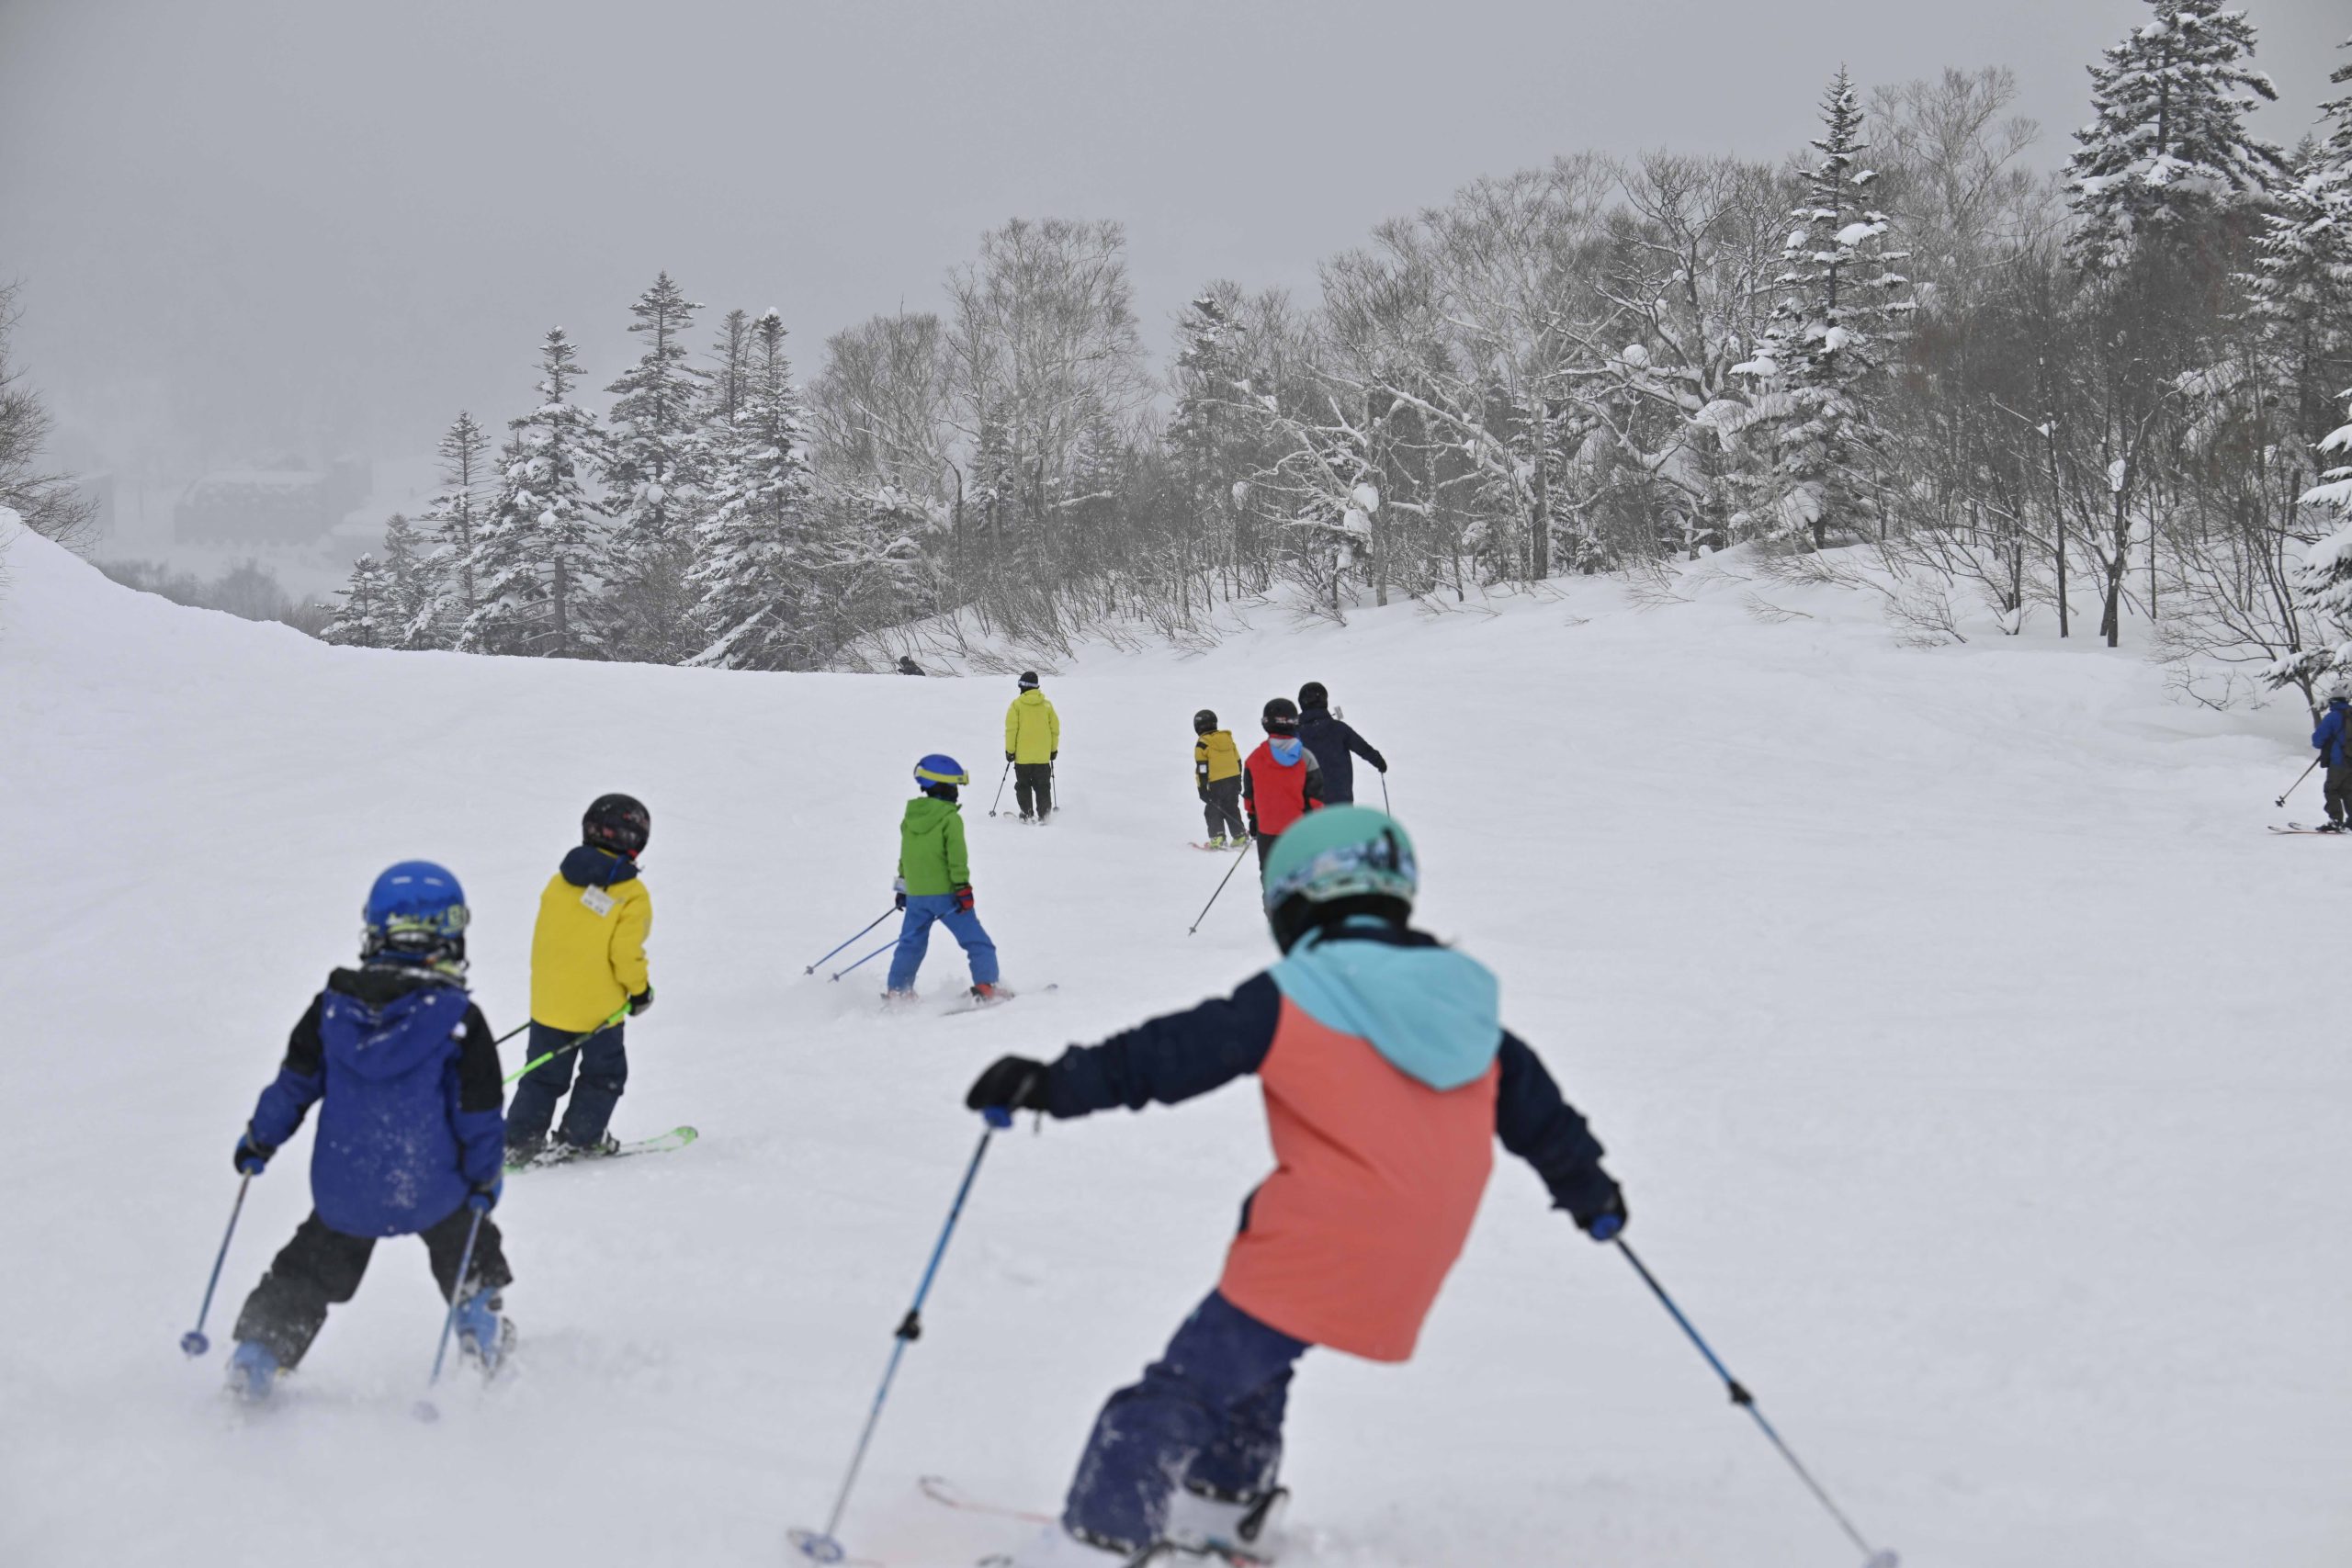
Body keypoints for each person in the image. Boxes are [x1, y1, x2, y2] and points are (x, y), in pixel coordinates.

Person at [965, 807, 1626, 1565]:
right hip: (1415, 1251)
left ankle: (1094, 1544)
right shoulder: (1466, 1007)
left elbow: (1171, 1054)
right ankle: (1219, 1507)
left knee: (1176, 1393)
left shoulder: (1299, 990)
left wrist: (1051, 1082)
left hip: (1320, 1236)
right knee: (1254, 1365)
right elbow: (1543, 1118)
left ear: (1297, 900)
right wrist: (1592, 1195)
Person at [222, 861, 514, 1400]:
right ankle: (479, 1328)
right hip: (435, 1189)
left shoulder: (331, 1010)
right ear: (450, 934)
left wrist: (260, 1140)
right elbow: (479, 1114)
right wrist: (483, 1180)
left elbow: (293, 1086)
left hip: (346, 1193)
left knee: (304, 1273)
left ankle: (258, 1355)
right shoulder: (459, 1021)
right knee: (468, 1242)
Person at [507, 794, 654, 1164]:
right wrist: (639, 992)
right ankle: (581, 1138)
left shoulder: (560, 881)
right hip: (599, 1012)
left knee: (542, 1075)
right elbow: (625, 954)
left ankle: (519, 1142)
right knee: (603, 1074)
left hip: (548, 1004)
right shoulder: (631, 894)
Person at [888, 754, 1001, 1002]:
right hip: (947, 896)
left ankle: (898, 991)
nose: (957, 793)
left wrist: (902, 888)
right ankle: (987, 987)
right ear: (941, 787)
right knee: (977, 942)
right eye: (953, 787)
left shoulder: (909, 819)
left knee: (910, 944)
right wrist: (962, 888)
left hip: (917, 896)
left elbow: (906, 857)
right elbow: (957, 859)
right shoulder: (950, 819)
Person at [1242, 697, 1323, 873]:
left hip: (1267, 831)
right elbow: (1316, 797)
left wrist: (1253, 819)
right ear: (1294, 722)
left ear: (1265, 723)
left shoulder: (1254, 759)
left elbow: (1250, 797)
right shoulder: (1306, 757)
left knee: (1272, 877)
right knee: (1301, 876)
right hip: (1299, 832)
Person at [1295, 682, 1387, 807]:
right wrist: (1378, 761)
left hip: (1310, 801)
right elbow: (1363, 748)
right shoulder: (1338, 729)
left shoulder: (1296, 734)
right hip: (1340, 798)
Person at [1005, 671, 1061, 823]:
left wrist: (1010, 751)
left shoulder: (1016, 705)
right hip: (1042, 758)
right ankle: (1045, 815)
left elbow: (1011, 731)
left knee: (1023, 786)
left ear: (1023, 687)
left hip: (1022, 758)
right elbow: (1054, 730)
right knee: (1042, 786)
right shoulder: (1047, 706)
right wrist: (1053, 750)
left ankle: (1027, 814)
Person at [1193, 708, 1247, 850]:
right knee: (1231, 807)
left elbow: (1202, 769)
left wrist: (1202, 788)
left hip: (1216, 782)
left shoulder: (1202, 744)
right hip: (1232, 779)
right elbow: (1238, 760)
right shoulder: (1228, 739)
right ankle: (1240, 835)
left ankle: (1217, 838)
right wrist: (1238, 780)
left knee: (1213, 809)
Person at [2314, 676, 2352, 831]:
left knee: (2331, 789)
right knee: (2348, 791)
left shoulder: (2332, 717)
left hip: (2338, 761)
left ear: (2332, 701)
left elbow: (2317, 740)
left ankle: (2336, 820)